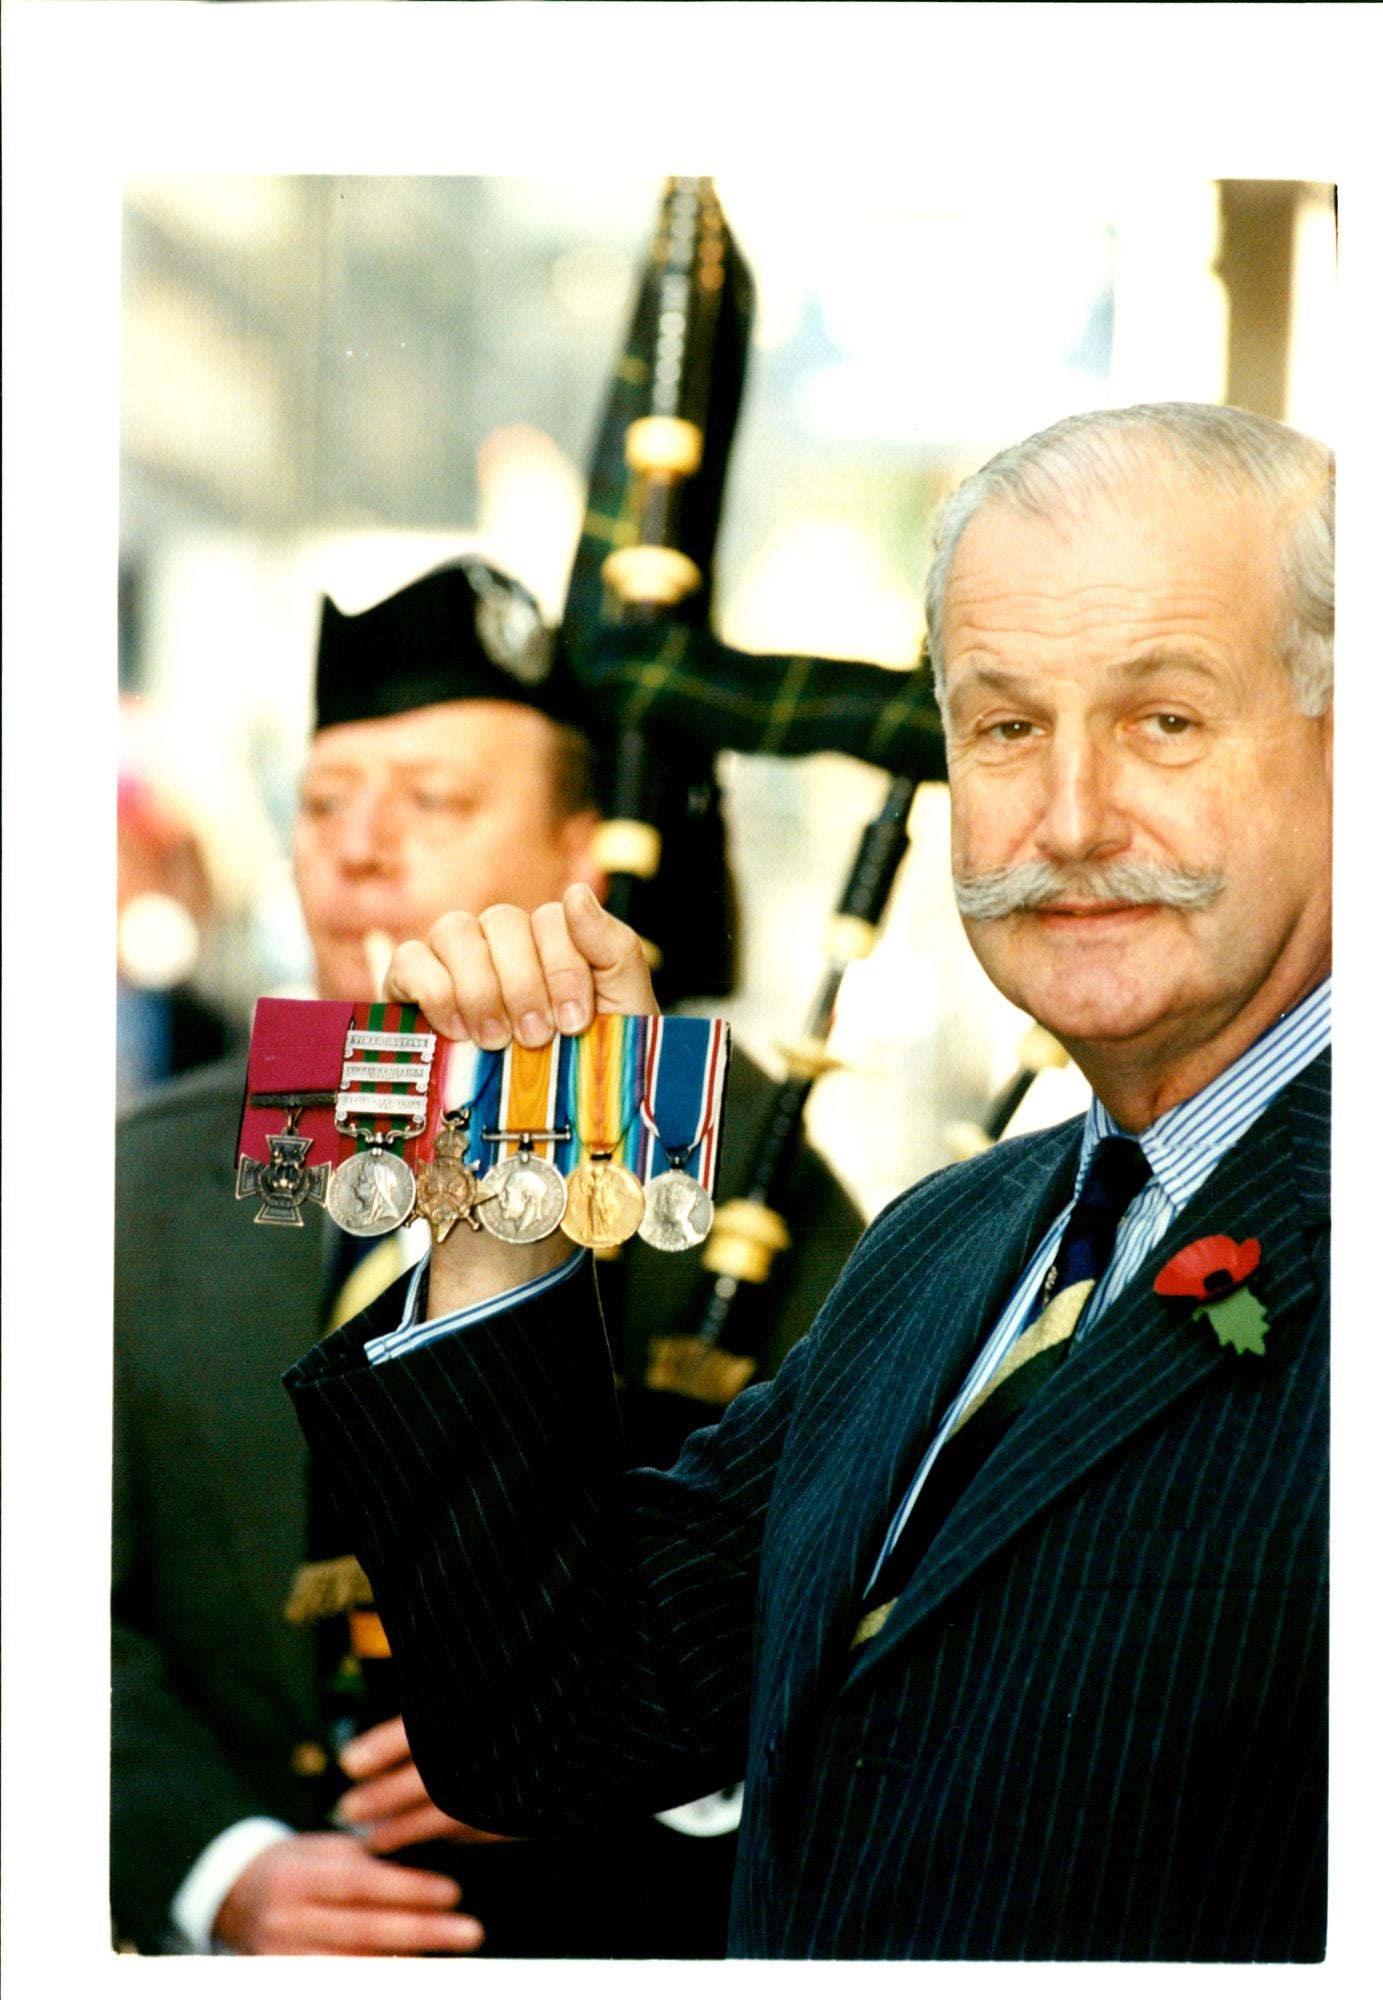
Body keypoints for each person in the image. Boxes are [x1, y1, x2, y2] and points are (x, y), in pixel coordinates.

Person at [287, 402, 1333, 1961]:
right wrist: (511, 1205)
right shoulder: (947, 1245)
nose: (1068, 820)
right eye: (1002, 726)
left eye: (1165, 720)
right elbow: (560, 1731)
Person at [112, 559, 863, 1957]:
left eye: (437, 800)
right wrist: (214, 1867)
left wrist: (617, 1756)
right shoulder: (148, 1176)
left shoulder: (734, 1152)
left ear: (584, 851)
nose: (360, 847)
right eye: (325, 802)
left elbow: (855, 1602)